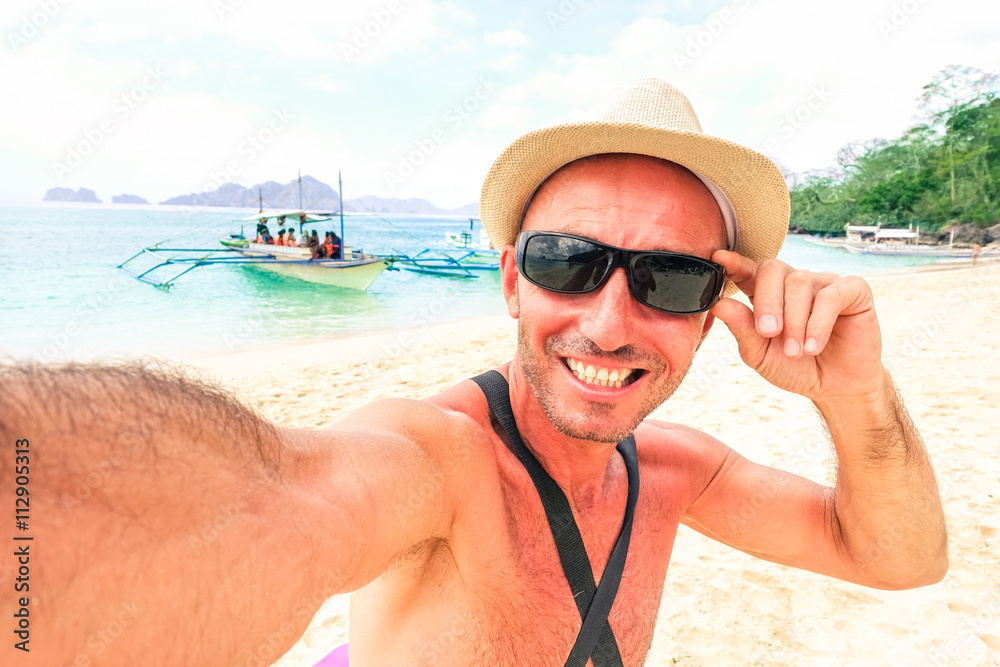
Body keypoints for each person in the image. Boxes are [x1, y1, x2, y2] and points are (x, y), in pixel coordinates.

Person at [0, 79, 947, 666]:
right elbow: (269, 498)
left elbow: (900, 558)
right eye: (566, 262)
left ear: (712, 313)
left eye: (668, 277)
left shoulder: (676, 472)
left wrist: (856, 398)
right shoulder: (436, 457)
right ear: (508, 279)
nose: (610, 323)